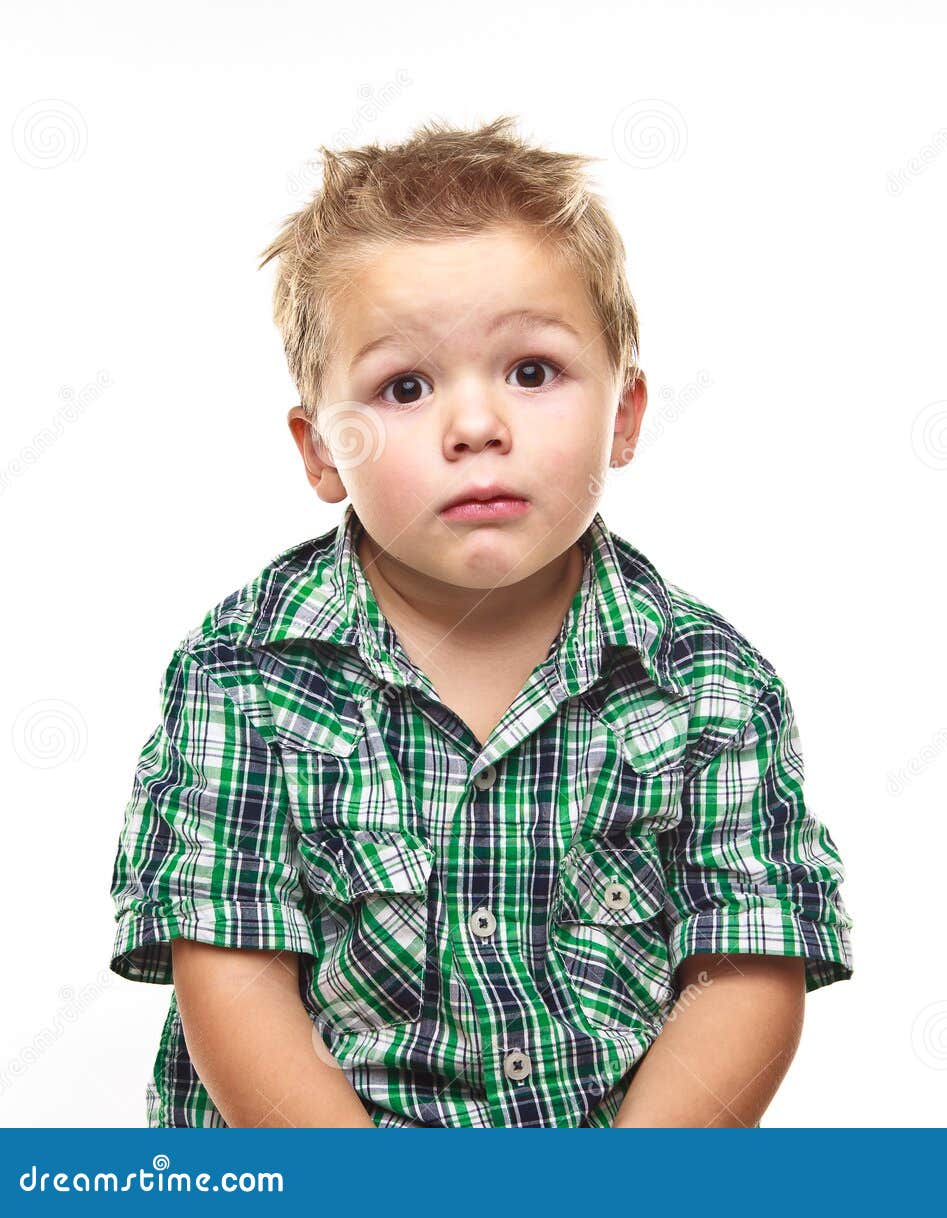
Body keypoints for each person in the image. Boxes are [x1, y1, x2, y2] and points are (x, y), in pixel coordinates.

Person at [107, 115, 855, 1128]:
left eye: (532, 371)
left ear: (623, 415)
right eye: (404, 387)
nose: (476, 427)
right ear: (321, 448)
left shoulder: (711, 688)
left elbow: (746, 971)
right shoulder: (243, 674)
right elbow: (231, 981)